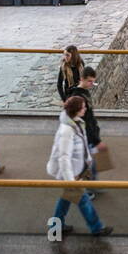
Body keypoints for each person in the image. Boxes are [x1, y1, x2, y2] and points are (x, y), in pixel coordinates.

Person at [44, 95, 112, 238]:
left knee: (65, 200)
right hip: (71, 175)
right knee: (83, 201)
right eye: (83, 107)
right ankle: (96, 228)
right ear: (76, 110)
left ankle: (56, 227)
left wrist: (87, 161)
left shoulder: (75, 123)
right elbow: (64, 157)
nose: (85, 109)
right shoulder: (67, 131)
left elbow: (79, 147)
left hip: (75, 172)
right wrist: (71, 181)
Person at [65, 66, 106, 192]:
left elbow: (89, 117)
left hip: (88, 134)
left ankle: (92, 186)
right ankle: (88, 190)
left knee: (91, 162)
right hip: (84, 136)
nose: (91, 84)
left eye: (93, 81)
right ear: (82, 79)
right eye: (89, 81)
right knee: (86, 164)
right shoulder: (78, 97)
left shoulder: (83, 93)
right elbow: (85, 121)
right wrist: (96, 140)